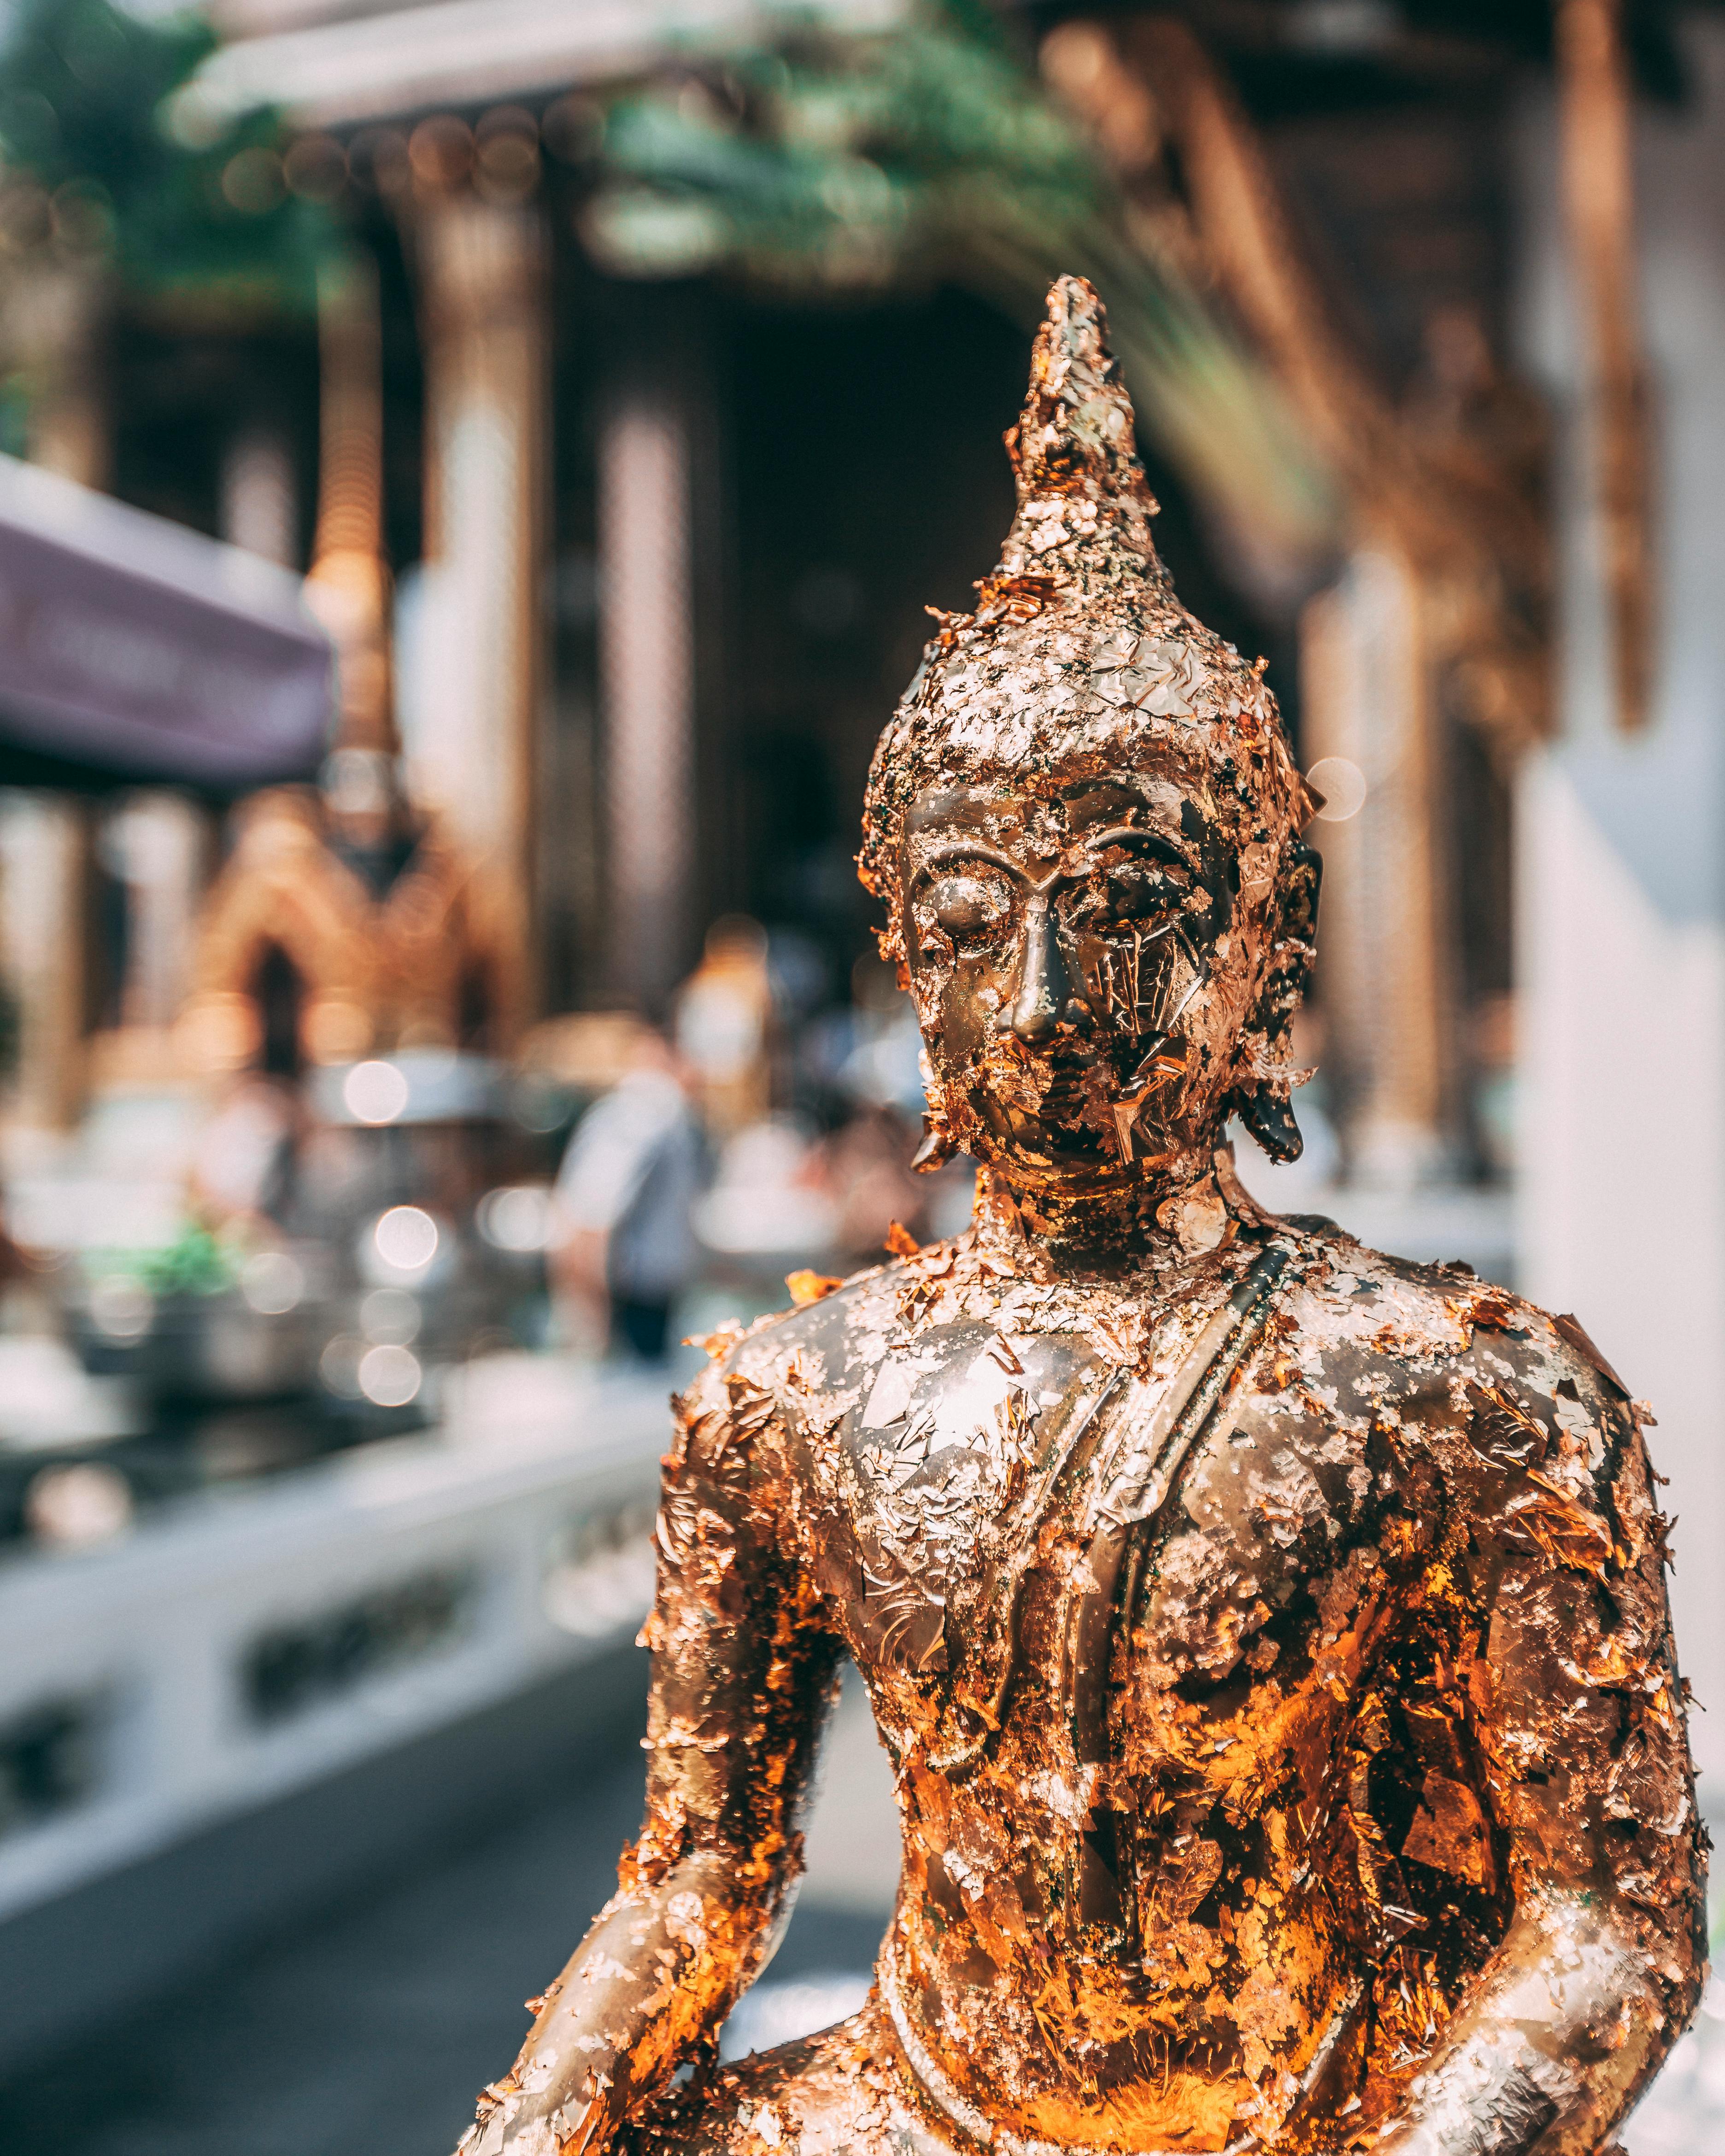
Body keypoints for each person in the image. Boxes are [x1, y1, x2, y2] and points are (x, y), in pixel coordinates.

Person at [457, 281, 1701, 2156]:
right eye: (970, 917)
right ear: (911, 959)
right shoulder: (792, 1401)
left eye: (1127, 904)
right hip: (907, 2104)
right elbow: (700, 1888)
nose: (1045, 997)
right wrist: (527, 2129)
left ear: (1257, 951)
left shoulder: (1463, 1397)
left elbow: (1609, 1927)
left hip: (1310, 2117)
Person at [550, 1025, 705, 1364]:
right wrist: (591, 1303)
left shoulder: (640, 1111)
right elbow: (594, 1214)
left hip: (643, 1286)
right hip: (633, 1290)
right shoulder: (646, 1113)